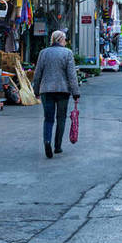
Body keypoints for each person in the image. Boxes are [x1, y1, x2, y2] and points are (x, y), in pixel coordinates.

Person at [32, 29, 81, 158]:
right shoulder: (67, 53)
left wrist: (36, 90)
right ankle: (57, 146)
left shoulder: (43, 53)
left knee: (48, 119)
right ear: (60, 39)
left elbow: (37, 74)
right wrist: (76, 93)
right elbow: (72, 75)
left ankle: (47, 141)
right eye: (64, 39)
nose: (65, 42)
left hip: (46, 91)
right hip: (63, 91)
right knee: (61, 118)